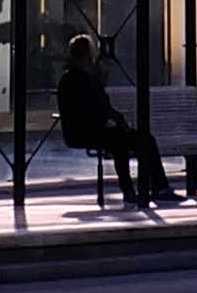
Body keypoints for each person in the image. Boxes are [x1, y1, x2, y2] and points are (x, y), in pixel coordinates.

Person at [55, 29, 175, 208]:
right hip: (89, 131)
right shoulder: (85, 80)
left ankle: (136, 190)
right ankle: (151, 188)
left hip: (82, 130)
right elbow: (101, 107)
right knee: (135, 141)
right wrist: (118, 121)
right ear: (87, 55)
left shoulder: (69, 79)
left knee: (127, 141)